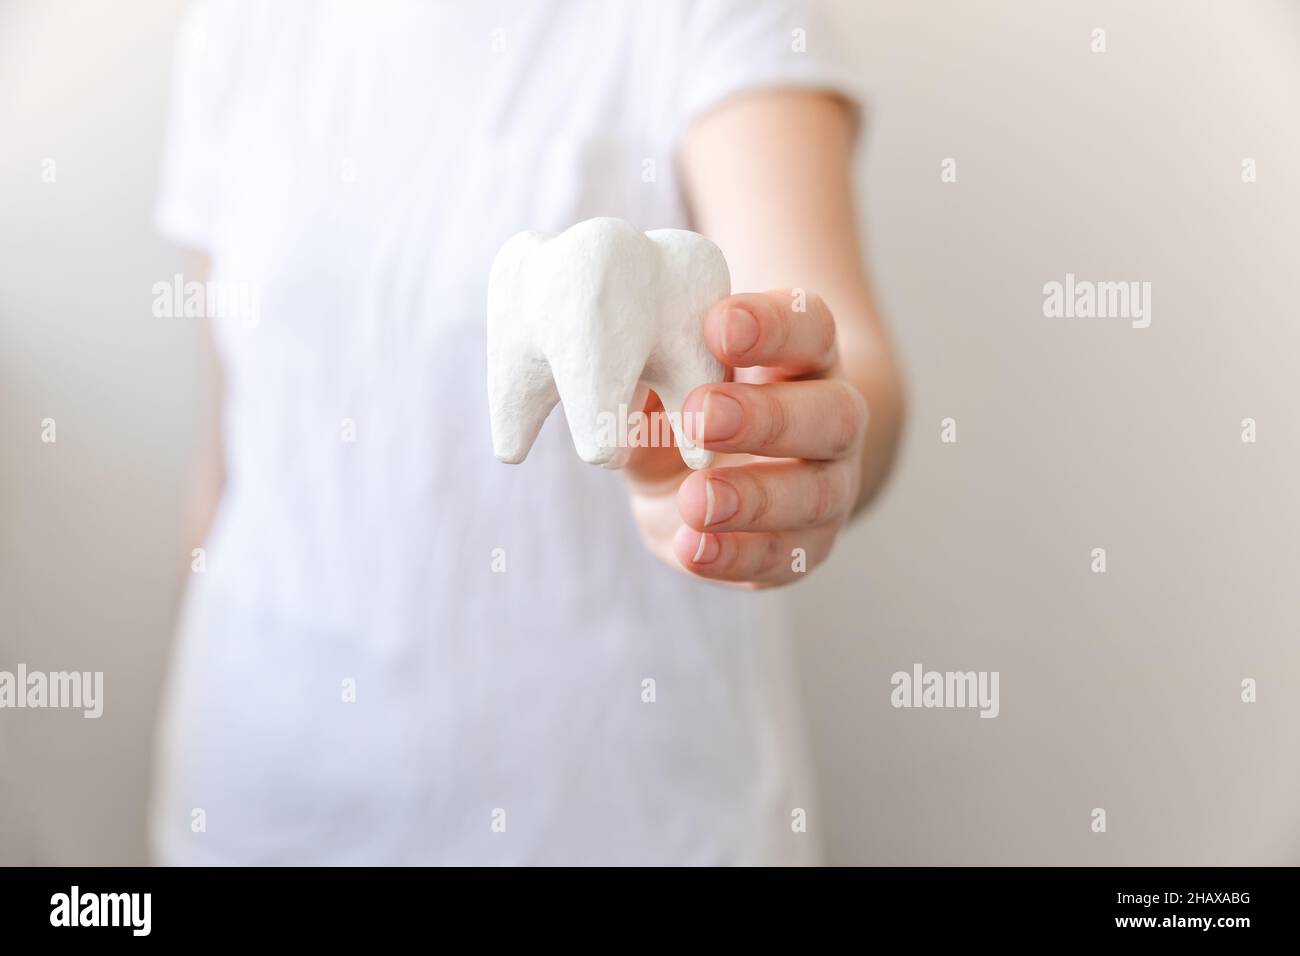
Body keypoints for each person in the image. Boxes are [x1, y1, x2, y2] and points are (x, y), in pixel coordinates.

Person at [151, 0, 904, 865]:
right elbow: (229, 444)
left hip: (625, 814)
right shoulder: (236, 26)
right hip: (260, 795)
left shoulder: (702, 16)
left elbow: (843, 350)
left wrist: (794, 445)